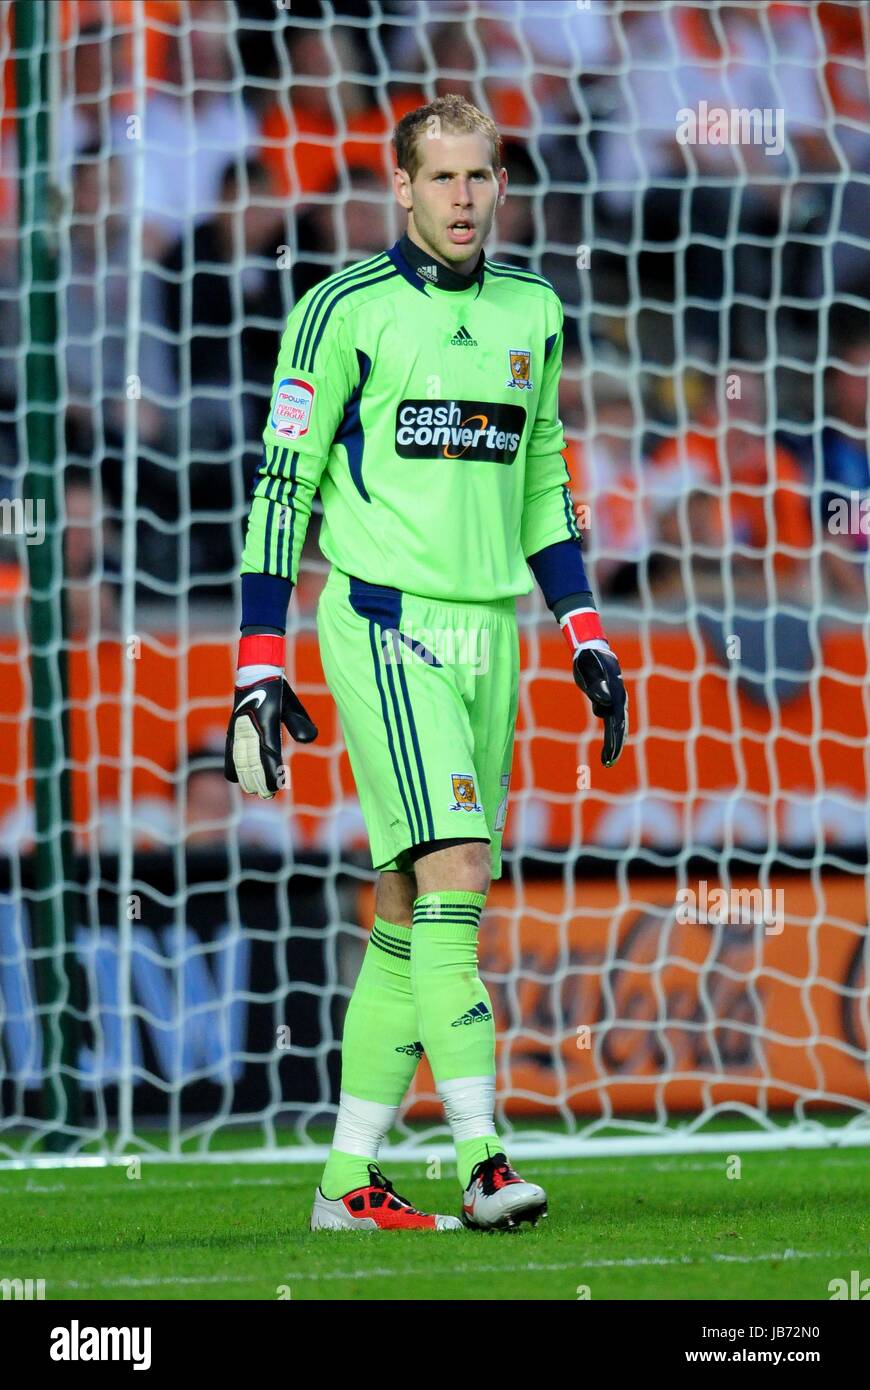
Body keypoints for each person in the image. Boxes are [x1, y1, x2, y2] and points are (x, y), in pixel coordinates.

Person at [224, 95, 627, 1233]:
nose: (462, 200)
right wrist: (259, 663)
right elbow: (281, 489)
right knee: (456, 866)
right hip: (384, 619)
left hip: (490, 630)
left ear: (502, 185)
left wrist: (584, 632)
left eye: (480, 178)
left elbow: (542, 483)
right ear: (400, 189)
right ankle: (484, 1159)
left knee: (409, 904)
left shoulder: (534, 311)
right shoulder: (339, 310)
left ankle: (347, 1180)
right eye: (441, 180)